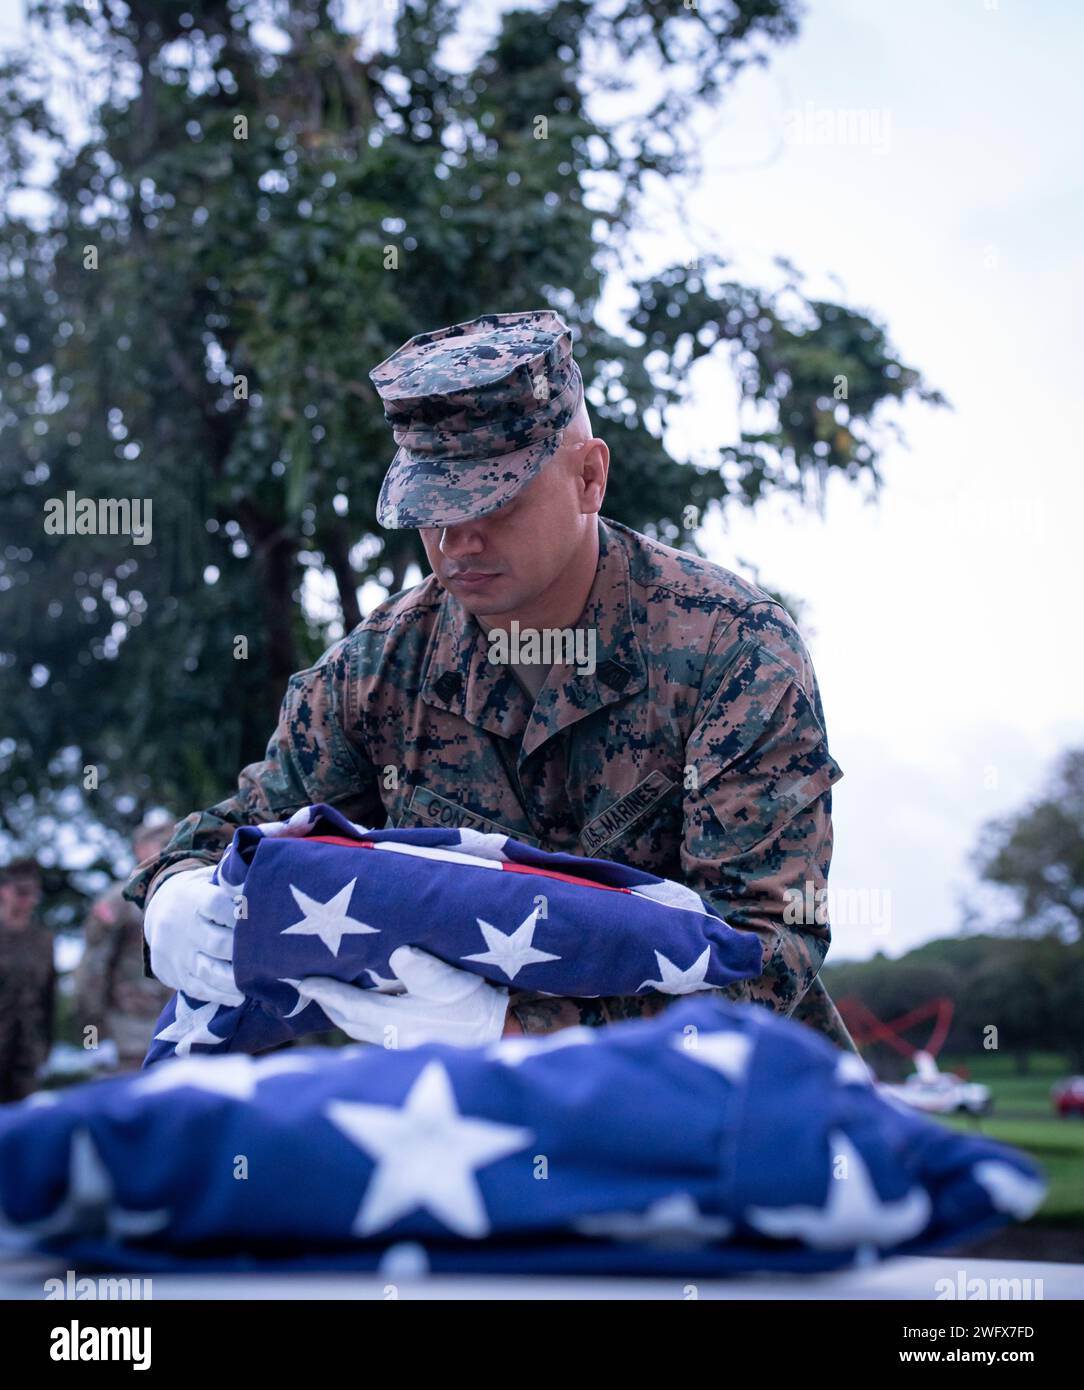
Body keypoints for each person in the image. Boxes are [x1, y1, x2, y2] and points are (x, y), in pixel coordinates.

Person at [126, 309, 856, 1053]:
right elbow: (233, 835)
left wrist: (516, 1031)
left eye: (494, 502)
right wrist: (174, 902)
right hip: (462, 1130)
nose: (456, 540)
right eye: (430, 508)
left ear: (589, 478)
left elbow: (771, 947)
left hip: (710, 1107)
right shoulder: (373, 675)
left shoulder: (730, 649)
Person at [73, 818, 174, 1070]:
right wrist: (96, 1036)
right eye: (160, 844)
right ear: (139, 849)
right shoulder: (120, 901)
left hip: (172, 1035)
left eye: (172, 844)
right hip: (126, 1036)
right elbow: (93, 967)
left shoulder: (178, 897)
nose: (169, 850)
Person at [0, 858, 55, 1101]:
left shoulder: (42, 941)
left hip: (27, 1053)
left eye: (32, 894)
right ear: (5, 892)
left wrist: (46, 1048)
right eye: (21, 893)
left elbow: (48, 999)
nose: (27, 901)